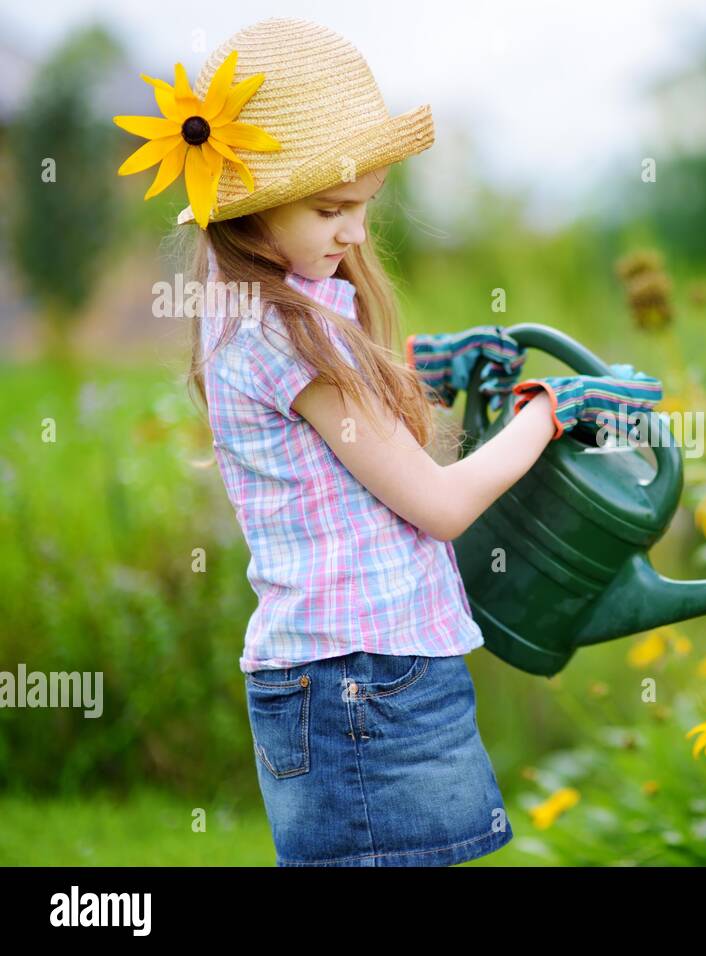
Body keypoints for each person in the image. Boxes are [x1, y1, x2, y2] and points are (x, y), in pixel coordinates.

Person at [113, 16, 662, 866]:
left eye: (365, 207)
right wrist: (549, 411)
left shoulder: (263, 312)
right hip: (362, 685)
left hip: (362, 677)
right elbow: (440, 505)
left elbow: (335, 433)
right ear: (250, 208)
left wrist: (423, 370)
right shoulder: (291, 334)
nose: (356, 234)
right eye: (332, 209)